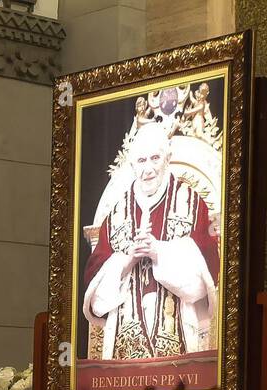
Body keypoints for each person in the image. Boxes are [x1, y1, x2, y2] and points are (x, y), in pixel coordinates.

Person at [82, 120, 219, 361]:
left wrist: (160, 252)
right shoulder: (115, 214)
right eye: (141, 161)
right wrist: (126, 261)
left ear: (168, 158)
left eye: (155, 159)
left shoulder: (191, 204)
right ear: (132, 165)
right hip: (122, 350)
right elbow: (94, 288)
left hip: (178, 342)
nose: (148, 169)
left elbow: (210, 273)